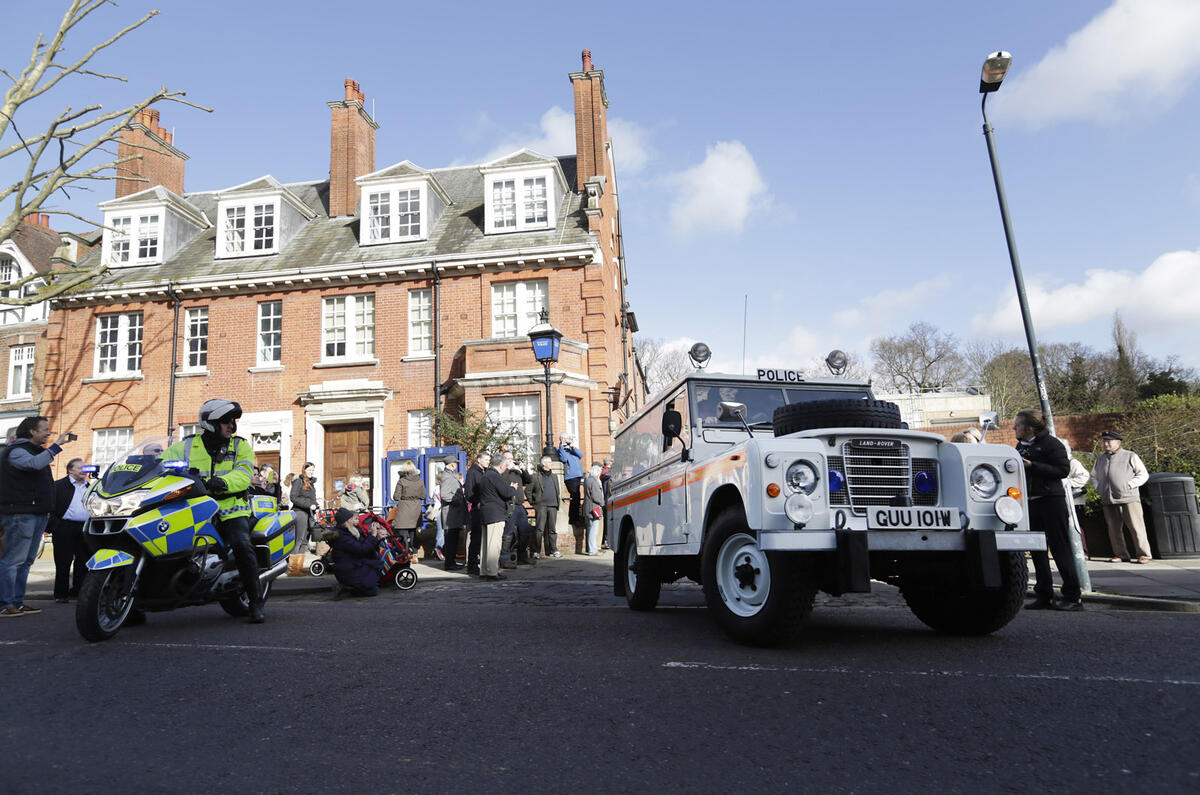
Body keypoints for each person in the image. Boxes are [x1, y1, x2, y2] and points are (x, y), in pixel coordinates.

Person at [162, 400, 265, 623]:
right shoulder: (186, 446)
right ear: (210, 423)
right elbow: (160, 464)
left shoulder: (240, 446)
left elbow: (244, 474)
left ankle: (255, 602)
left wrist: (222, 482)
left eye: (233, 421)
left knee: (242, 545)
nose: (231, 425)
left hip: (231, 509)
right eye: (225, 421)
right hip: (193, 508)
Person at [0, 416, 75, 617]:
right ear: (32, 431)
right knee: (13, 560)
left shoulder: (35, 451)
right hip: (21, 513)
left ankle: (17, 602)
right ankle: (5, 604)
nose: (48, 433)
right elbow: (32, 464)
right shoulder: (16, 450)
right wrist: (57, 446)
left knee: (25, 561)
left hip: (35, 513)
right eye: (44, 429)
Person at [1014, 409, 1081, 611]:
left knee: (1060, 548)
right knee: (1037, 550)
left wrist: (1033, 465)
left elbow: (1063, 470)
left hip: (1052, 501)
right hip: (1031, 502)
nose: (1014, 427)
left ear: (1029, 428)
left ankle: (1072, 596)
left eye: (1018, 424)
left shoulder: (1052, 444)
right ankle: (1044, 595)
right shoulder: (1021, 446)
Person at [1091, 430, 1152, 564]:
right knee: (1113, 530)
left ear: (1118, 442)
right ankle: (1120, 554)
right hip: (1108, 499)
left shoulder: (1130, 456)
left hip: (1129, 498)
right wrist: (1098, 487)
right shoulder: (1100, 459)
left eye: (1109, 441)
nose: (1105, 444)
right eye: (1104, 441)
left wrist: (1129, 485)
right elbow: (1093, 476)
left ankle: (1144, 555)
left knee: (1136, 527)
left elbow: (1143, 474)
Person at [49, 457, 91, 603]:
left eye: (85, 468)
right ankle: (61, 594)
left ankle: (78, 591)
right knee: (63, 561)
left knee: (83, 561)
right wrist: (54, 525)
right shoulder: (59, 485)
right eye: (80, 468)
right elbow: (50, 506)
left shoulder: (89, 487)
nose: (84, 471)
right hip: (64, 527)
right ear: (70, 470)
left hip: (84, 527)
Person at [325, 507, 384, 598]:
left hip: (351, 566)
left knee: (377, 565)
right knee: (373, 588)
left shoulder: (346, 532)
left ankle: (353, 586)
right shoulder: (343, 537)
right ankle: (350, 587)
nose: (354, 521)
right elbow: (362, 550)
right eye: (351, 519)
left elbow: (361, 545)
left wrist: (371, 534)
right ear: (346, 521)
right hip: (349, 570)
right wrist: (373, 536)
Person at [477, 452, 514, 581]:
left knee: (485, 544)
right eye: (505, 466)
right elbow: (506, 492)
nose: (506, 469)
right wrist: (513, 488)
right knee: (494, 544)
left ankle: (484, 570)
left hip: (486, 512)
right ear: (501, 465)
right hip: (495, 513)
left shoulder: (485, 475)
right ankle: (492, 572)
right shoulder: (495, 476)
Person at [501, 452, 534, 565]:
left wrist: (523, 470)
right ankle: (504, 559)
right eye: (508, 458)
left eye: (512, 458)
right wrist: (507, 469)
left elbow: (528, 480)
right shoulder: (502, 471)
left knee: (525, 532)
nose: (511, 460)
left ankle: (522, 556)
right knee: (508, 533)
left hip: (520, 505)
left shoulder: (516, 472)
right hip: (510, 505)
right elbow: (501, 482)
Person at [528, 455, 562, 559]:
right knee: (539, 529)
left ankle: (553, 550)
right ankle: (536, 551)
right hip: (541, 506)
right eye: (549, 462)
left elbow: (557, 490)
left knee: (552, 529)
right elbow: (528, 490)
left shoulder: (554, 476)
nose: (551, 464)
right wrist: (533, 503)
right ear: (543, 464)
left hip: (553, 505)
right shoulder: (536, 476)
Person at [390, 460, 425, 559]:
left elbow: (396, 497)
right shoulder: (420, 480)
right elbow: (423, 495)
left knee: (403, 534)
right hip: (416, 509)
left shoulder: (402, 481)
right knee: (413, 533)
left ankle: (404, 555)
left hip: (404, 510)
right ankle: (415, 554)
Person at [464, 451, 491, 576]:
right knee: (476, 538)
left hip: (486, 508)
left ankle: (483, 564)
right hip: (477, 509)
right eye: (485, 460)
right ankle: (472, 565)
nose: (487, 462)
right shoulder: (472, 472)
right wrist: (477, 502)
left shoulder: (485, 472)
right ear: (479, 460)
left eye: (489, 460)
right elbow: (469, 493)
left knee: (483, 538)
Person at [557, 434, 585, 553]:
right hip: (570, 477)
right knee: (575, 495)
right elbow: (563, 459)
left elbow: (581, 455)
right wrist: (562, 446)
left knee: (577, 496)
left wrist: (573, 447)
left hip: (577, 475)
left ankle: (575, 517)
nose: (566, 440)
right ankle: (573, 518)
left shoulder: (572, 450)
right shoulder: (561, 450)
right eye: (564, 439)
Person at [439, 462, 467, 571]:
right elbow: (444, 494)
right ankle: (449, 563)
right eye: (455, 463)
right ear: (451, 464)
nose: (456, 465)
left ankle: (451, 562)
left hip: (454, 513)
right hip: (451, 514)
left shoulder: (449, 475)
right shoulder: (447, 476)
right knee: (451, 540)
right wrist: (457, 500)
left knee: (453, 539)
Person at [290, 463, 319, 554]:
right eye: (309, 470)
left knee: (305, 541)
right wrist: (308, 505)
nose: (311, 472)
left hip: (310, 513)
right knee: (299, 539)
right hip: (300, 512)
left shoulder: (311, 483)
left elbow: (312, 499)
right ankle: (293, 561)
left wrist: (316, 505)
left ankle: (300, 562)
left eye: (313, 470)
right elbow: (293, 497)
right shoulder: (298, 481)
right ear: (304, 470)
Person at [582, 462, 605, 555]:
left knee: (590, 528)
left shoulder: (587, 480)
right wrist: (602, 503)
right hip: (594, 507)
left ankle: (592, 549)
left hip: (588, 507)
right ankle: (593, 550)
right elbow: (596, 496)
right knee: (594, 530)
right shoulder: (594, 481)